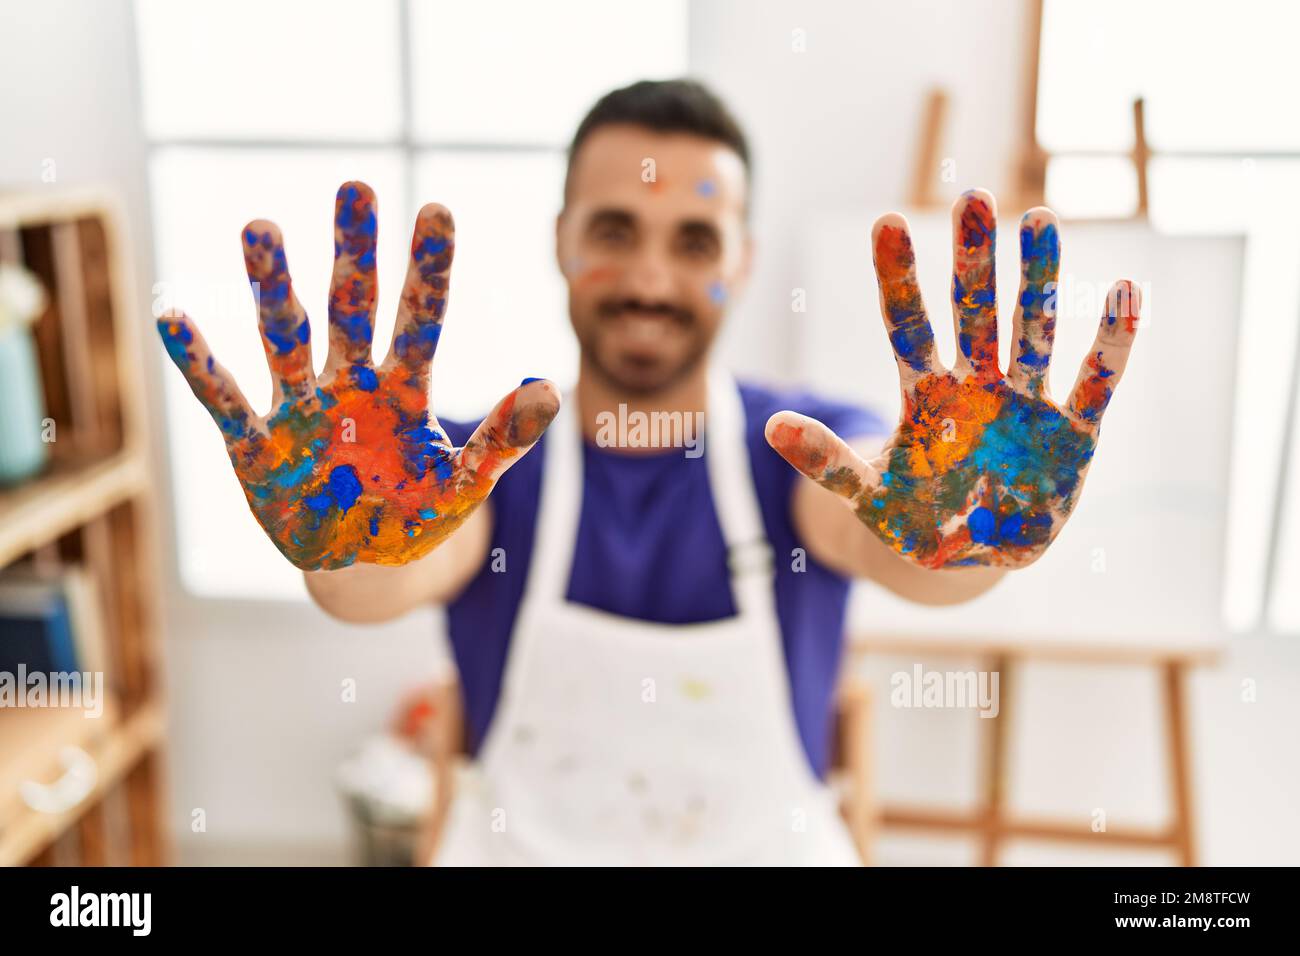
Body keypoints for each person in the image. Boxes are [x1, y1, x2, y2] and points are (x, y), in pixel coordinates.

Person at [158, 79, 1140, 866]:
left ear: (745, 262)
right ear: (562, 240)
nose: (650, 280)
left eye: (694, 240)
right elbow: (386, 575)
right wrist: (342, 541)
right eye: (615, 230)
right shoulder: (464, 467)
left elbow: (898, 549)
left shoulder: (810, 451)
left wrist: (972, 536)